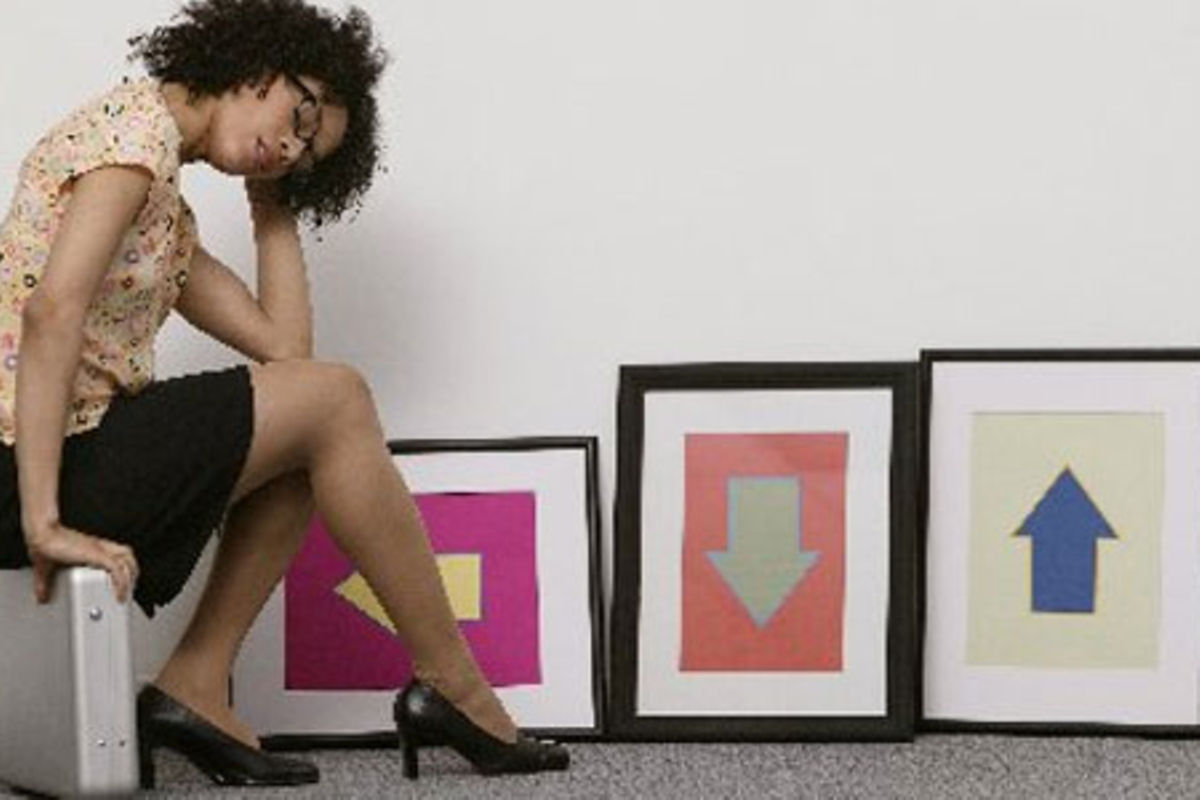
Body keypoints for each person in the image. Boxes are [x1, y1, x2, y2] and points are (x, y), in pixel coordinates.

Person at [0, 0, 568, 787]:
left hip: (71, 449)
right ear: (256, 62)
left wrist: (271, 202)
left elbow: (286, 357)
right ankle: (456, 687)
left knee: (314, 435)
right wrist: (44, 525)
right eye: (300, 115)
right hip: (29, 467)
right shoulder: (133, 137)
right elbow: (51, 311)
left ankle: (195, 687)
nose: (290, 147)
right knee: (337, 401)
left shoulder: (163, 209)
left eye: (305, 154)